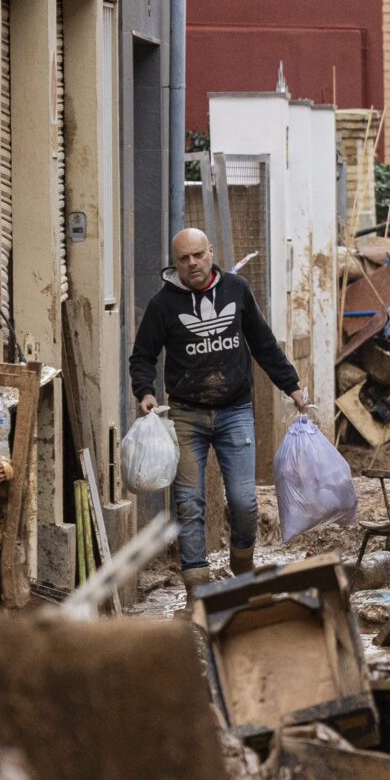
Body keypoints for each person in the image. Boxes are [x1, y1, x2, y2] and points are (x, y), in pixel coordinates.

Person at [129, 228, 311, 596]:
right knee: (190, 504)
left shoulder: (236, 290)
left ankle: (242, 566)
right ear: (175, 262)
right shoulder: (163, 305)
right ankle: (197, 588)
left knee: (244, 501)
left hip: (235, 412)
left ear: (211, 252)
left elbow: (262, 343)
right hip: (185, 414)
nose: (192, 263)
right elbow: (143, 356)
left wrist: (292, 386)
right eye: (184, 258)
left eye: (198, 255)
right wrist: (145, 392)